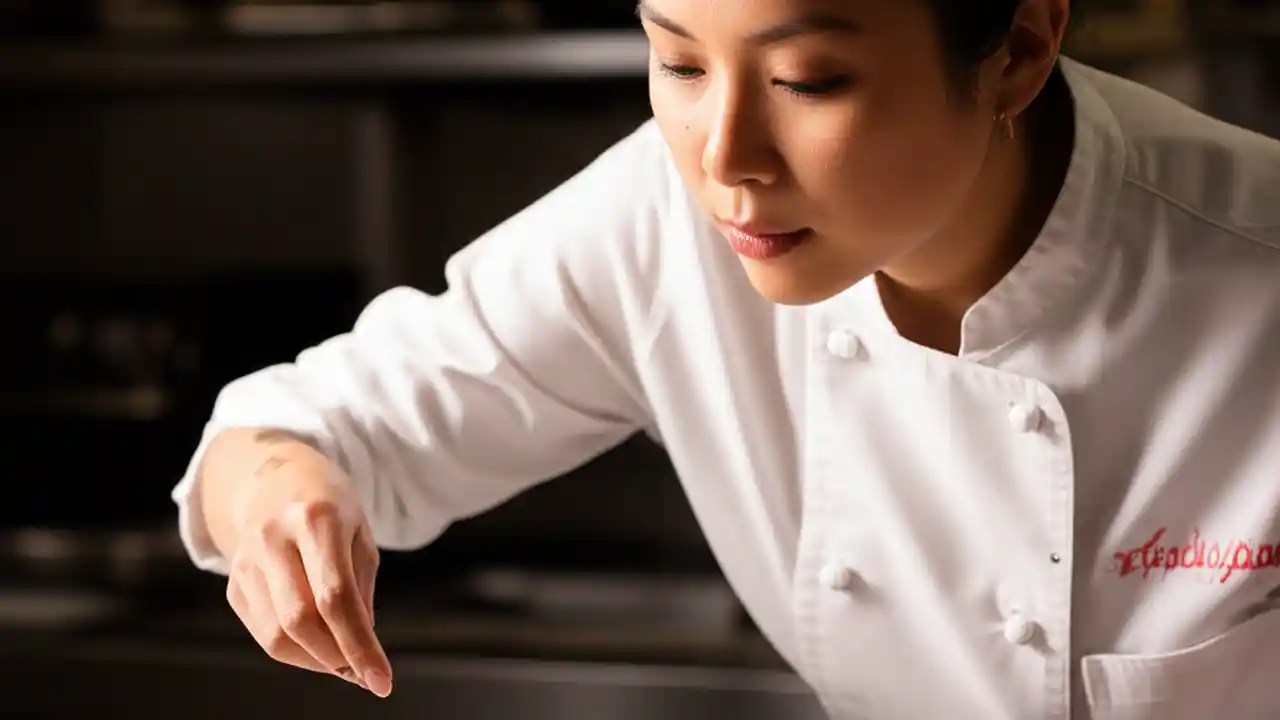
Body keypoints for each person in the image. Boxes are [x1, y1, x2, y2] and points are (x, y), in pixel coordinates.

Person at [171, 0, 1280, 717]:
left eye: (805, 80)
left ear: (1020, 50)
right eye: (676, 60)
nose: (724, 158)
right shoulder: (663, 224)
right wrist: (280, 487)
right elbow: (301, 430)